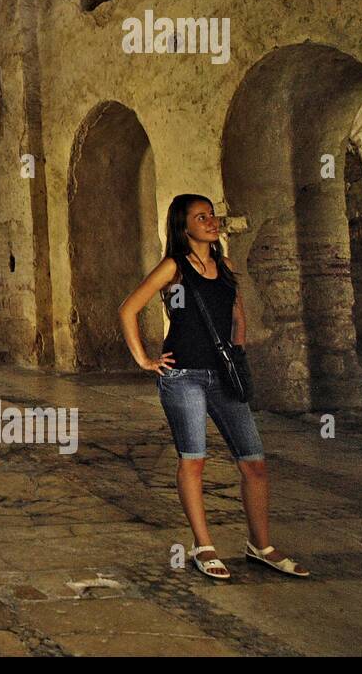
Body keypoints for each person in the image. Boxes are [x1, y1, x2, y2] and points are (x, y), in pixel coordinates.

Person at [118, 193, 308, 581]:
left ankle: (261, 545)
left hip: (223, 376)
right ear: (183, 226)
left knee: (253, 463)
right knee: (194, 460)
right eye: (200, 217)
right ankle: (203, 546)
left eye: (212, 215)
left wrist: (237, 353)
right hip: (182, 375)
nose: (211, 221)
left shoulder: (225, 267)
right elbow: (128, 309)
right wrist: (144, 360)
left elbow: (237, 317)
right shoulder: (173, 267)